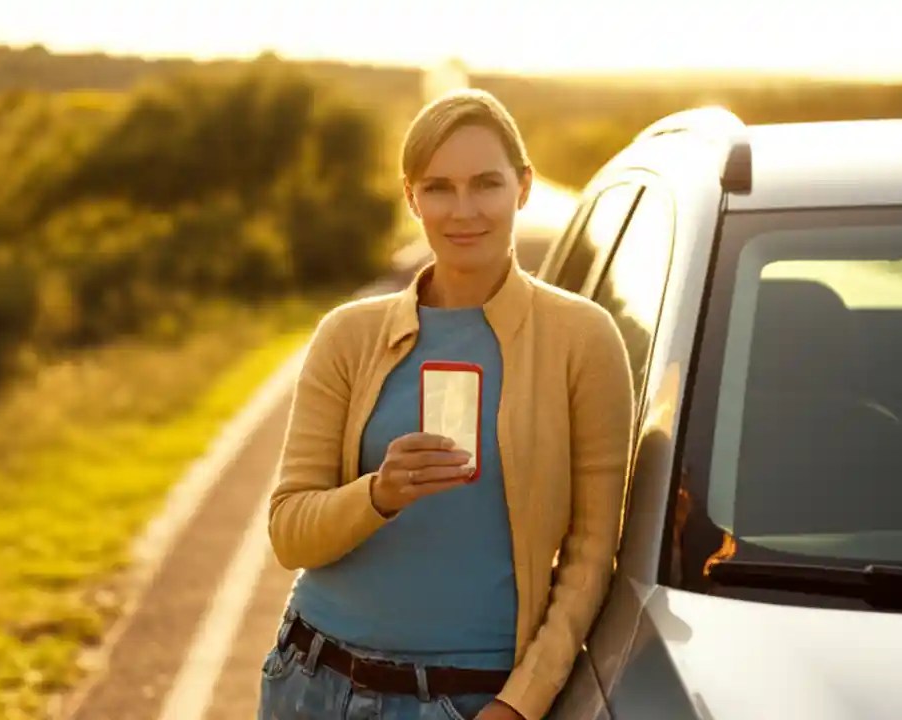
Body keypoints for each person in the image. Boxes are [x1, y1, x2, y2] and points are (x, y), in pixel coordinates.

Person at [261, 88, 634, 720]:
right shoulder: (348, 336)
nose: (464, 211)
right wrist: (379, 493)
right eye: (438, 188)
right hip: (314, 679)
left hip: (467, 699)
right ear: (412, 198)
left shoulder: (583, 338)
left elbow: (592, 553)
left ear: (523, 187)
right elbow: (289, 532)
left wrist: (521, 704)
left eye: (485, 184)